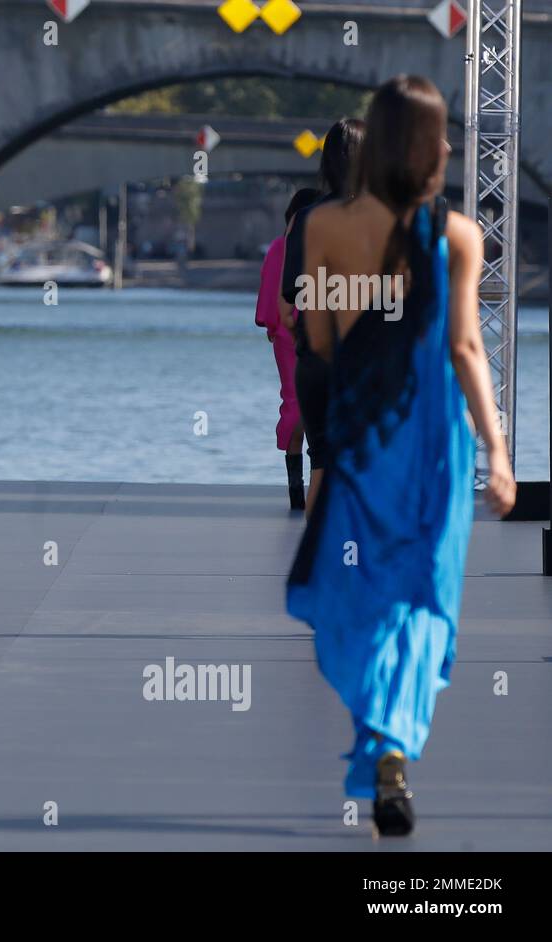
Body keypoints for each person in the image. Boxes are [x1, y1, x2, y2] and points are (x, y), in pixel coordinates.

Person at [286, 75, 515, 836]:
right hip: (432, 441)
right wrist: (500, 452)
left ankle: (377, 728)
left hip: (359, 432)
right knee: (426, 591)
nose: (451, 145)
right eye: (443, 134)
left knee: (367, 587)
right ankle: (393, 745)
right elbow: (465, 347)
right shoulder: (456, 235)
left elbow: (317, 336)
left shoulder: (322, 225)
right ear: (423, 144)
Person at [280, 118, 365, 514]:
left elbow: (289, 300)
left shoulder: (307, 219)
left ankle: (319, 565)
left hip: (314, 363)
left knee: (322, 465)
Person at [256, 187, 320, 509]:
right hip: (289, 335)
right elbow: (272, 290)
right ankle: (299, 487)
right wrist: (274, 324)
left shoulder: (312, 246)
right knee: (297, 404)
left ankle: (306, 483)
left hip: (305, 332)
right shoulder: (283, 247)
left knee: (305, 405)